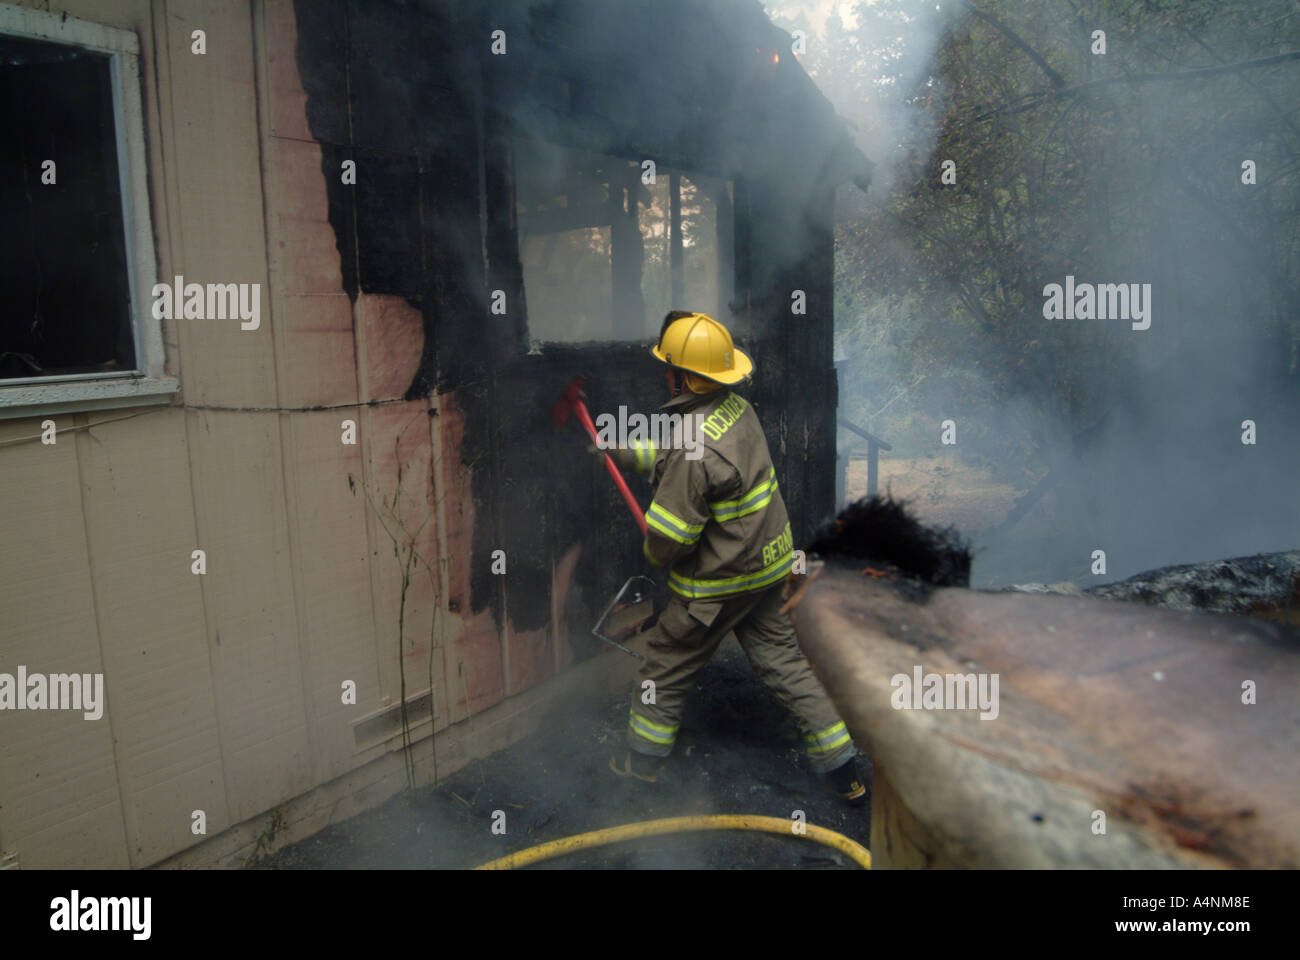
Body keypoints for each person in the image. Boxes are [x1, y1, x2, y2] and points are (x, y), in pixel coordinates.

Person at [606, 310, 866, 805]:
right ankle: (844, 773)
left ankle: (639, 764)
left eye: (670, 366)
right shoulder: (736, 409)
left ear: (683, 375)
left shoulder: (694, 447)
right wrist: (625, 452)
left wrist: (653, 551)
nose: (665, 373)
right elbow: (681, 453)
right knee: (787, 664)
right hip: (769, 569)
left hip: (716, 588)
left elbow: (670, 536)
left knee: (665, 664)